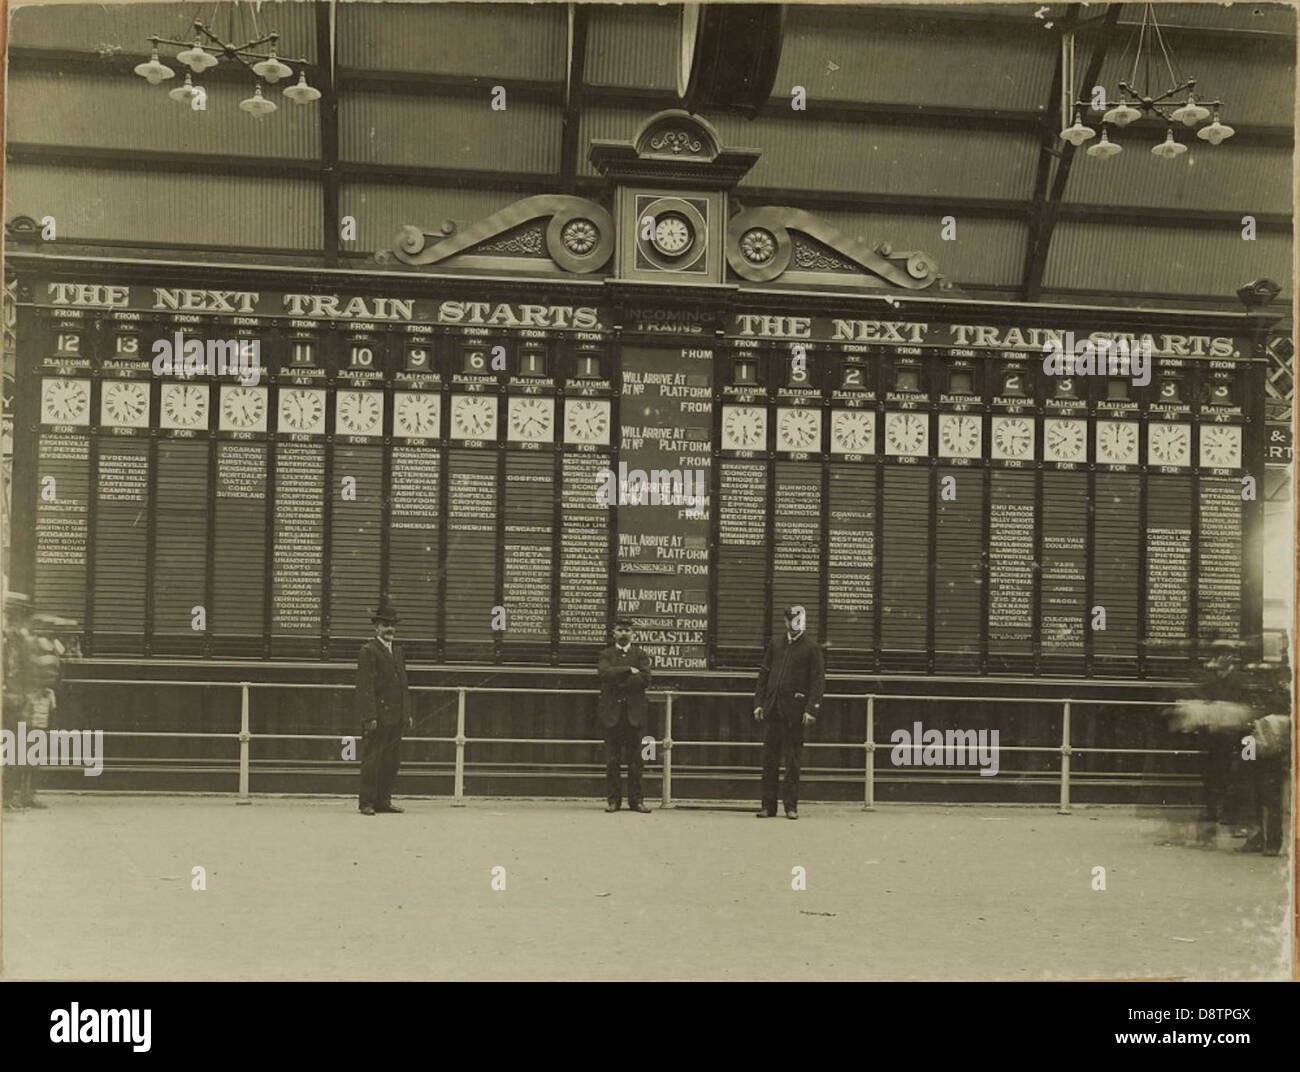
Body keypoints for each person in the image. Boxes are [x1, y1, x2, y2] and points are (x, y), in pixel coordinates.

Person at [754, 605, 825, 820]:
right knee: (769, 761)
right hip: (773, 711)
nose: (793, 625)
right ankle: (768, 806)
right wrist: (759, 704)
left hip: (794, 714)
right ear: (785, 622)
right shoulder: (775, 644)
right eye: (790, 621)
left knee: (792, 762)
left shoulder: (812, 647)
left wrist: (811, 709)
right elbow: (763, 676)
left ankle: (791, 806)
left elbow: (817, 680)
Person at [355, 598, 411, 816]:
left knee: (391, 760)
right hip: (378, 717)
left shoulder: (397, 651)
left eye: (392, 625)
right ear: (376, 627)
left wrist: (406, 713)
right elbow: (365, 687)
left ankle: (383, 801)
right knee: (372, 760)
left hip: (396, 718)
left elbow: (403, 684)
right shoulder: (368, 651)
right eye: (386, 624)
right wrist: (370, 717)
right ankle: (366, 803)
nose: (390, 629)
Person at [596, 617, 652, 813]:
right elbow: (603, 674)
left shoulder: (641, 655)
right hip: (612, 716)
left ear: (633, 634)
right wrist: (628, 670)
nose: (624, 633)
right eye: (620, 629)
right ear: (614, 633)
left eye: (627, 630)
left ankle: (636, 801)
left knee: (636, 761)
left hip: (634, 716)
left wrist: (618, 679)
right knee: (612, 760)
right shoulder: (606, 654)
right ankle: (613, 801)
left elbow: (645, 679)